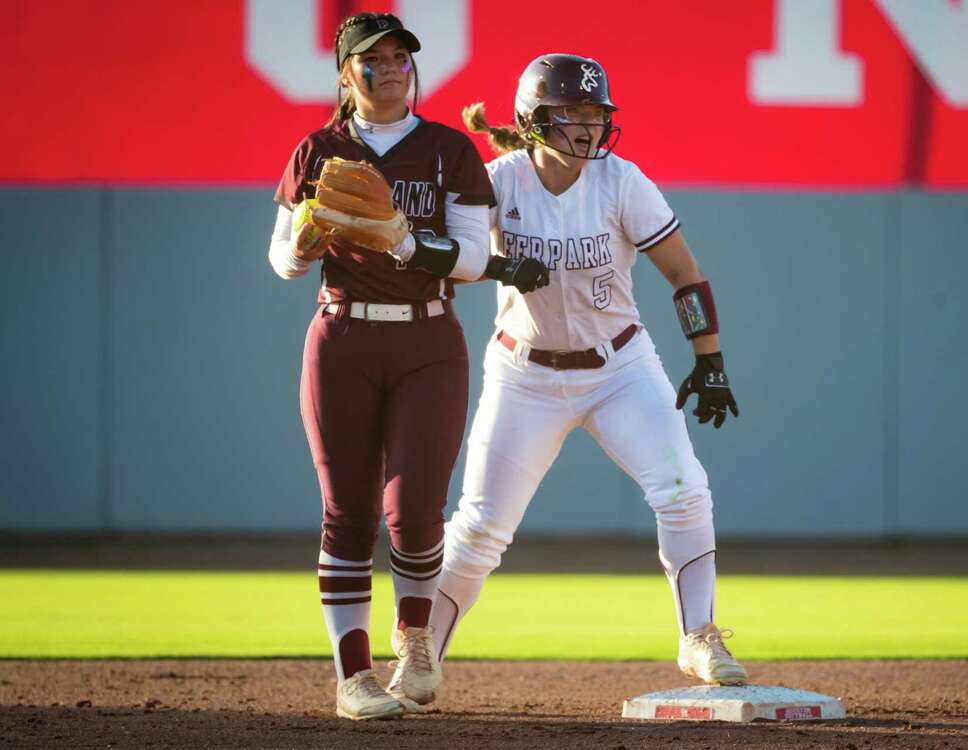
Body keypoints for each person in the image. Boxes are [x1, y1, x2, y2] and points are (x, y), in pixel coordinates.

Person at [420, 52, 748, 699]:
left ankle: (699, 636)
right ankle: (422, 653)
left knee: (685, 489)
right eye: (571, 112)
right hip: (523, 372)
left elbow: (686, 274)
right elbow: (454, 261)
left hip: (618, 366)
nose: (588, 127)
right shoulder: (499, 182)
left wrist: (708, 358)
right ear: (534, 119)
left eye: (596, 113)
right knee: (479, 528)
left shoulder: (620, 182)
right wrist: (491, 266)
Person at [267, 13, 547, 720]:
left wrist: (399, 238)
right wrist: (304, 240)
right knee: (347, 514)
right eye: (374, 59)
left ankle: (414, 638)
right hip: (342, 337)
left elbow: (478, 258)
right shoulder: (318, 148)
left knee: (416, 512)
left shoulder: (447, 149)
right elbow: (282, 263)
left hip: (427, 339)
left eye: (400, 57)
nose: (391, 68)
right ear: (344, 74)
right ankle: (354, 678)